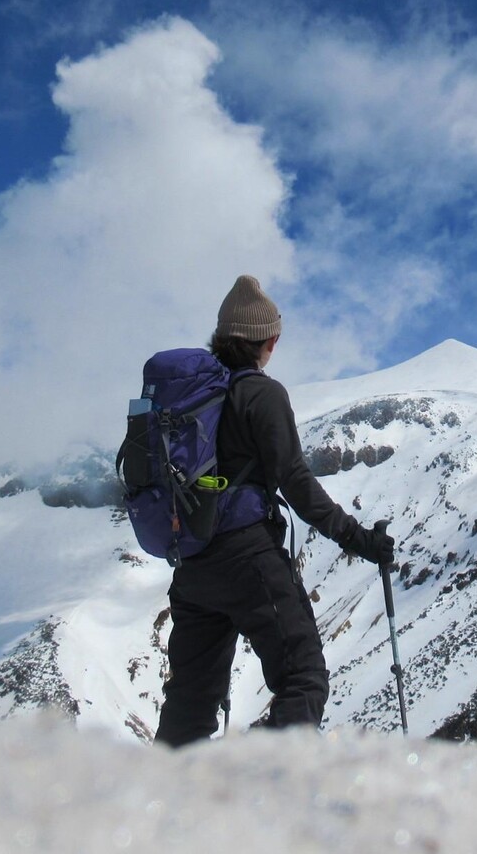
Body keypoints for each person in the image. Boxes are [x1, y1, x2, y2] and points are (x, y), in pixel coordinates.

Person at [155, 275, 396, 747]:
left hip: (192, 566)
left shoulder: (192, 399)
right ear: (270, 340)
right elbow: (296, 482)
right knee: (302, 676)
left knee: (189, 702)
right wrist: (359, 540)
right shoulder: (261, 394)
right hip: (248, 559)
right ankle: (271, 800)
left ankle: (159, 807)